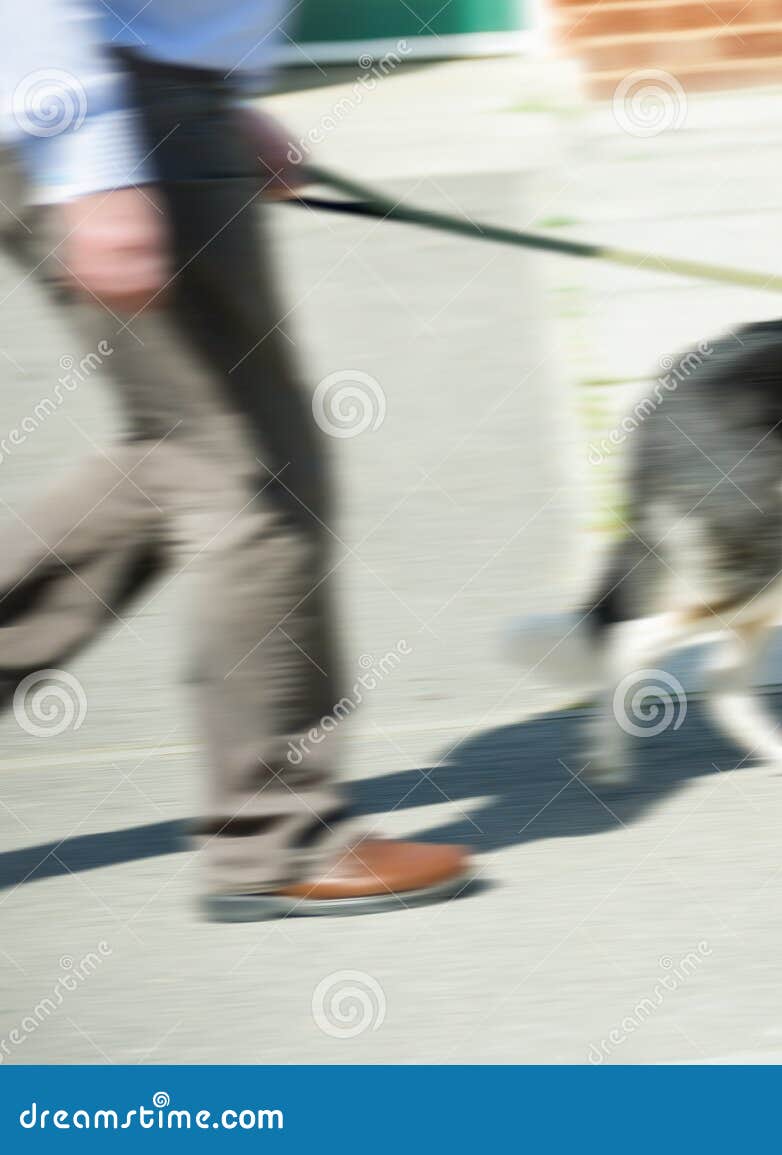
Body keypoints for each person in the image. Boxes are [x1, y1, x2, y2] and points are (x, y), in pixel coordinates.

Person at [0, 1, 472, 920]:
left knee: (181, 453)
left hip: (150, 99)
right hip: (98, 105)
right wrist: (92, 154)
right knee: (256, 470)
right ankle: (277, 833)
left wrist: (225, 94)